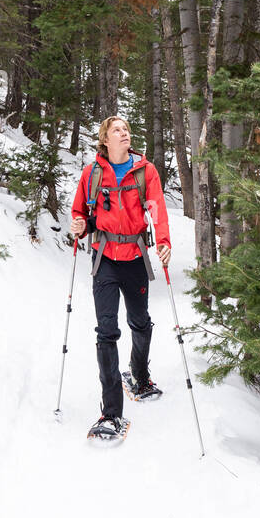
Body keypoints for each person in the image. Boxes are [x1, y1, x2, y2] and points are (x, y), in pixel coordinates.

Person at [70, 114, 171, 441]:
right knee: (107, 331)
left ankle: (139, 375)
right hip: (105, 260)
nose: (125, 132)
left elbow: (157, 211)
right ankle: (111, 413)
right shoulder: (91, 173)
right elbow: (79, 213)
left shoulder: (146, 171)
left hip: (136, 258)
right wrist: (79, 225)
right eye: (118, 130)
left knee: (140, 322)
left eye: (127, 128)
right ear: (105, 140)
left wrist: (165, 242)